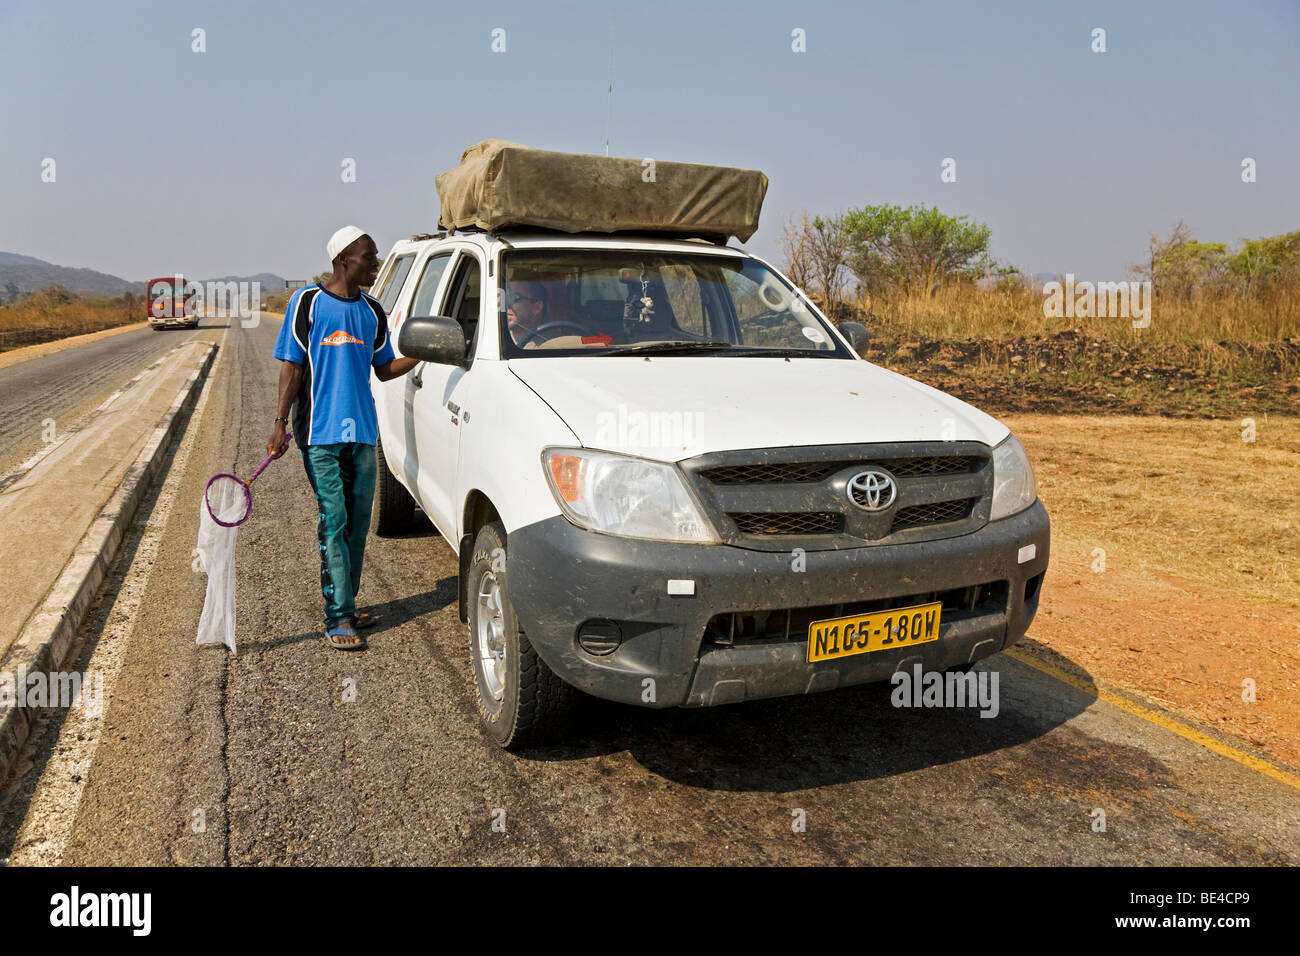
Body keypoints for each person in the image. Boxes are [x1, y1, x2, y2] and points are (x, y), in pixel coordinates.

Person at [267, 226, 419, 650]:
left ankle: (348, 606)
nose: (375, 264)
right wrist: (279, 422)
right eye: (369, 257)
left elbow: (384, 367)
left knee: (355, 528)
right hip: (319, 434)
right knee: (333, 521)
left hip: (363, 434)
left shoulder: (373, 310)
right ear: (343, 261)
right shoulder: (308, 303)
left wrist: (423, 352)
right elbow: (293, 367)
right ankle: (337, 617)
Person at [505, 280, 549, 345]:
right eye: (505, 298)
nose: (507, 304)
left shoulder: (551, 345)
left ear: (537, 307)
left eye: (515, 298)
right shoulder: (495, 338)